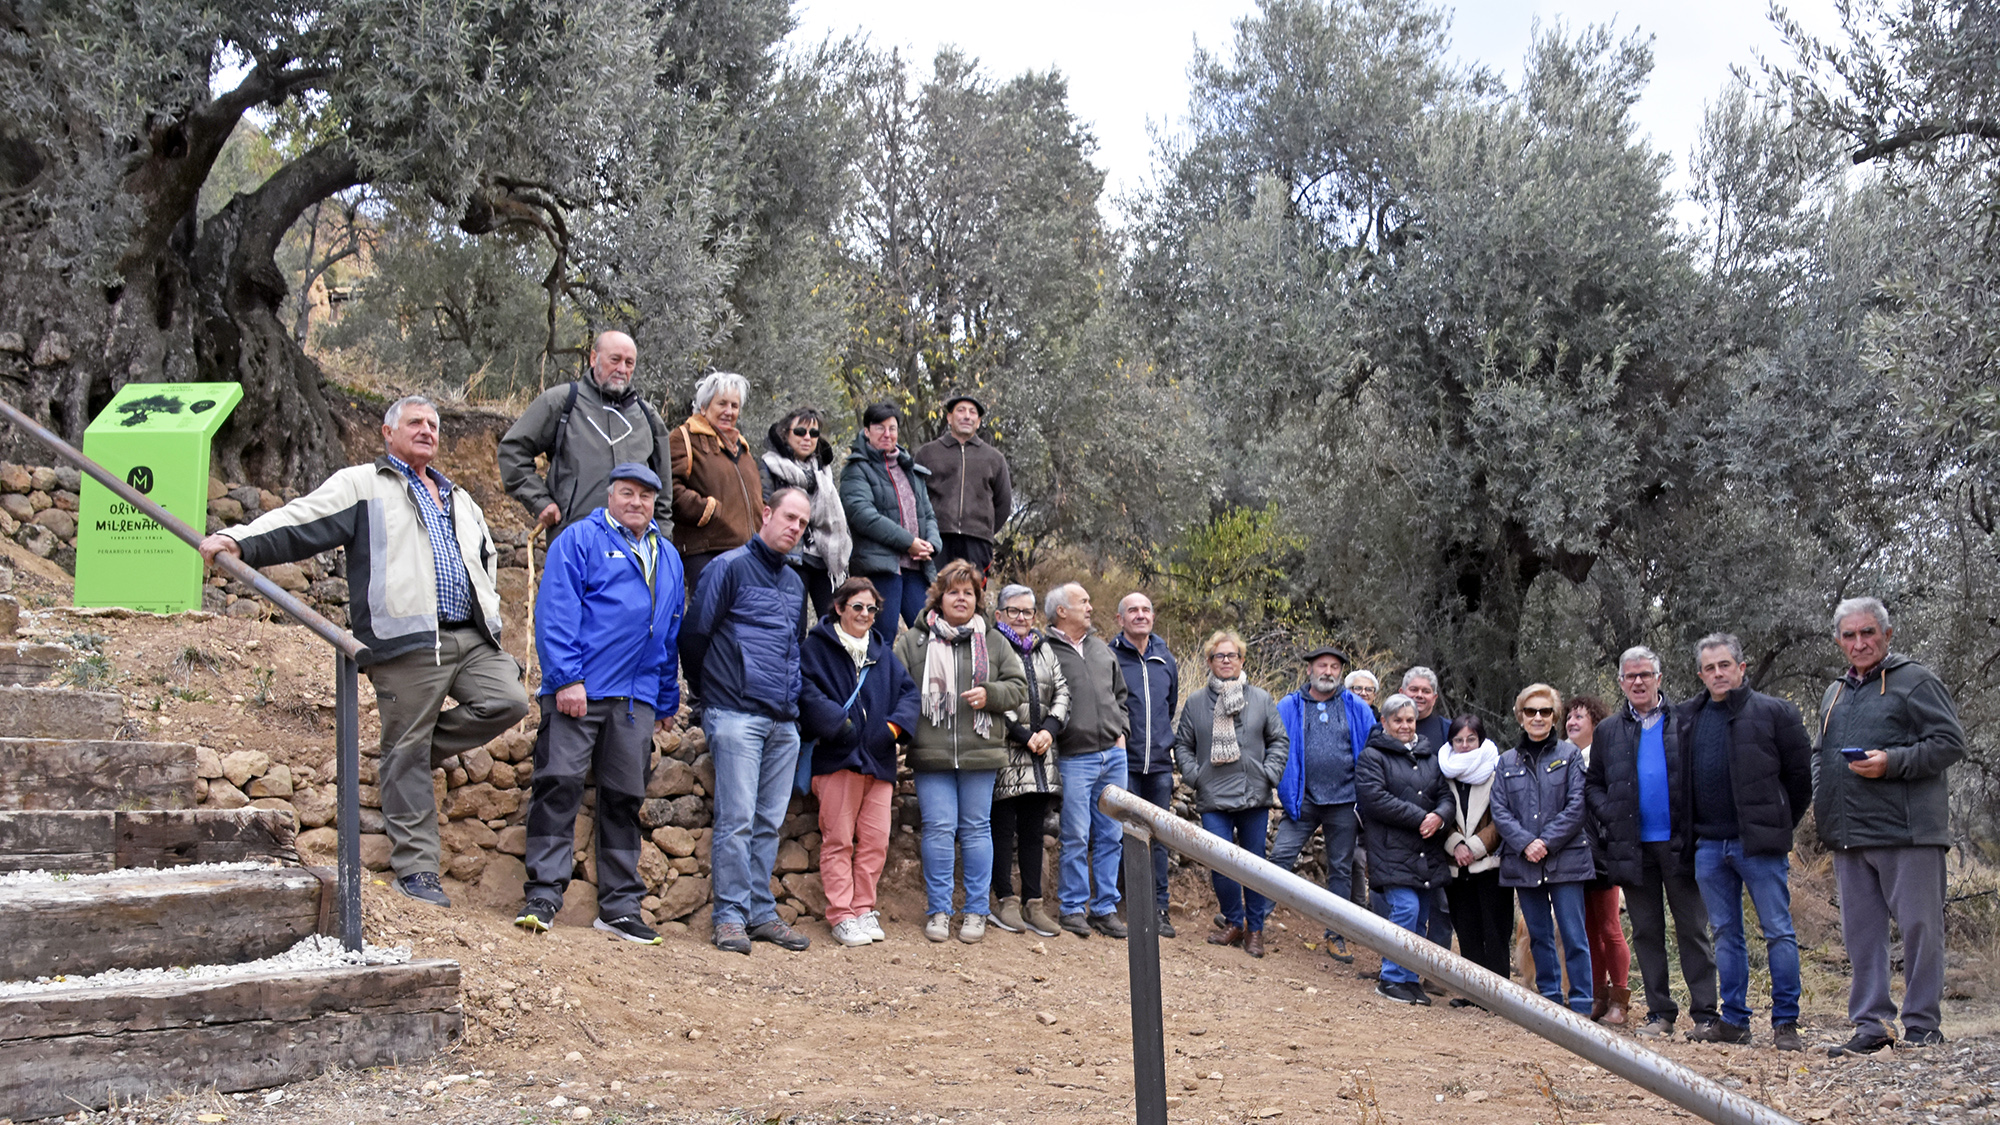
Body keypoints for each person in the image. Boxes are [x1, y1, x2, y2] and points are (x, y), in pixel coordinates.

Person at [199, 397, 531, 908]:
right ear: (387, 432)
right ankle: (418, 872)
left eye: (433, 425)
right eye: (415, 423)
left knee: (509, 701)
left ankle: (410, 753)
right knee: (407, 746)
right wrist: (238, 538)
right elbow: (301, 520)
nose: (426, 431)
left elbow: (484, 565)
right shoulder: (363, 484)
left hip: (470, 637)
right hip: (406, 642)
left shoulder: (460, 498)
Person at [516, 464, 683, 943]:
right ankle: (543, 894)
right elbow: (557, 610)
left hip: (637, 700)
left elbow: (668, 632)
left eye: (645, 496)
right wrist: (567, 679)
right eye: (627, 493)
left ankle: (619, 906)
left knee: (626, 799)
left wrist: (666, 698)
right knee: (559, 784)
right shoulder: (579, 539)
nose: (636, 502)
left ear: (655, 503)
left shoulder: (666, 555)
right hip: (580, 692)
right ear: (610, 496)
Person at [1814, 598, 1964, 1057]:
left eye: (1868, 633)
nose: (1859, 643)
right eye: (1849, 635)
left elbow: (1949, 742)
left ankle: (1922, 1025)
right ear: (1839, 641)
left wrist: (1892, 763)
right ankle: (1873, 1024)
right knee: (1862, 935)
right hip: (1850, 835)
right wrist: (1824, 795)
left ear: (1887, 634)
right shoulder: (1835, 692)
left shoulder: (1915, 681)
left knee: (1920, 928)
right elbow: (1821, 751)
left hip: (1909, 833)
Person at [680, 489, 815, 955]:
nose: (795, 528)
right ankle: (730, 917)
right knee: (736, 821)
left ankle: (760, 912)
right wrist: (710, 695)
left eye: (803, 523)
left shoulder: (796, 584)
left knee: (767, 823)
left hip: (782, 721)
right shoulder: (729, 567)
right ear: (767, 514)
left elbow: (793, 647)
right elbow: (694, 636)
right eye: (789, 517)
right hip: (735, 713)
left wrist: (792, 702)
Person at [1674, 633, 1812, 1051]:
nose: (1718, 673)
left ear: (1741, 668)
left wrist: (1778, 824)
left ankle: (1786, 1023)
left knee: (1778, 932)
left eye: (1725, 665)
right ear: (1701, 674)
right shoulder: (1688, 717)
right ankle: (1733, 1021)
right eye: (1709, 668)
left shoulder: (1775, 713)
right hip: (1709, 847)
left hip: (1759, 846)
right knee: (1725, 934)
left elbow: (1800, 779)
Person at [1585, 645, 1719, 1039]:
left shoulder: (1687, 720)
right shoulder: (1609, 730)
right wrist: (1609, 811)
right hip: (1632, 848)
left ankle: (1706, 1014)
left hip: (1679, 843)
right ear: (1622, 682)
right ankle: (1660, 1014)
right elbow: (1593, 784)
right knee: (1645, 931)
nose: (1638, 681)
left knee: (1692, 929)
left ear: (1659, 678)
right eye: (1631, 676)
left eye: (1645, 674)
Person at [894, 560, 1028, 944]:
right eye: (953, 591)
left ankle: (975, 912)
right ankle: (938, 910)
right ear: (939, 596)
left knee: (975, 830)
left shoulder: (995, 640)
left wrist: (992, 694)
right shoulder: (914, 641)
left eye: (968, 592)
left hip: (980, 752)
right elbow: (898, 688)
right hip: (931, 752)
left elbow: (1017, 687)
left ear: (977, 599)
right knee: (937, 829)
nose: (961, 598)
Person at [799, 578, 921, 948]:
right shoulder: (816, 648)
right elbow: (806, 692)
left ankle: (864, 907)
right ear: (839, 607)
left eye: (871, 609)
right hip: (837, 758)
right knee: (838, 840)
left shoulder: (883, 653)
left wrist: (892, 729)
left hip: (879, 761)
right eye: (858, 607)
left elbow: (909, 694)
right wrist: (840, 726)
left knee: (875, 840)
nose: (865, 615)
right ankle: (841, 914)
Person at [1174, 630, 1288, 959]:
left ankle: (1255, 929)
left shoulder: (1262, 699)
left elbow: (1279, 740)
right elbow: (1183, 743)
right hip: (1214, 796)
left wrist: (1269, 773)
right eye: (1219, 656)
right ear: (1209, 661)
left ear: (1242, 659)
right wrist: (1196, 777)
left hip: (1254, 795)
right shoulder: (1196, 703)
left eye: (1232, 655)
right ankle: (1233, 922)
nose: (1227, 661)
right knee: (1220, 863)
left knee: (1254, 866)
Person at [498, 330, 670, 538]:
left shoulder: (648, 417)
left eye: (629, 363)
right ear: (593, 358)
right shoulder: (561, 402)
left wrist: (662, 539)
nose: (622, 369)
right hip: (574, 542)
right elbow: (512, 450)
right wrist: (539, 501)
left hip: (634, 547)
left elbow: (664, 491)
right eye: (615, 360)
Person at [1491, 683, 1595, 1014]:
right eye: (1531, 711)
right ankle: (1549, 1002)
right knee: (1539, 935)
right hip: (1523, 862)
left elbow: (1577, 805)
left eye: (1545, 711)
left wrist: (1546, 842)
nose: (1538, 717)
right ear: (1520, 717)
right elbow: (1500, 810)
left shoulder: (1570, 756)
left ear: (1555, 716)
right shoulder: (1506, 762)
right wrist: (1525, 843)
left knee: (1573, 935)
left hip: (1566, 859)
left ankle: (1580, 1003)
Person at [1272, 645, 1375, 963]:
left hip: (1344, 802)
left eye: (1333, 667)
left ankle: (1336, 935)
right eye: (1321, 666)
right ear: (1309, 671)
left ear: (1340, 672)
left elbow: (1373, 747)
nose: (1327, 672)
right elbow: (1274, 743)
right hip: (1302, 800)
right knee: (1279, 858)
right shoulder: (1289, 705)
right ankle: (1255, 922)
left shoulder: (1356, 707)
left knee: (1340, 871)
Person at [1044, 581, 1131, 939]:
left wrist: (1121, 730)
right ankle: (1072, 907)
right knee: (1077, 835)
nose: (1090, 607)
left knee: (1112, 834)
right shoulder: (1045, 650)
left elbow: (1121, 695)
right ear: (1061, 611)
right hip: (1074, 758)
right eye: (1083, 601)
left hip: (1113, 755)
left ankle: (1105, 907)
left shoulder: (1101, 649)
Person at [1358, 693, 1452, 1004]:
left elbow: (1446, 796)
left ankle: (1410, 978)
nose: (1404, 725)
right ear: (1384, 722)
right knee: (1406, 908)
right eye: (1397, 720)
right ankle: (1391, 977)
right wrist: (1421, 817)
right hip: (1391, 850)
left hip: (1427, 849)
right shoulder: (1372, 757)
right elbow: (1375, 799)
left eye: (1409, 720)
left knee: (1420, 915)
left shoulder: (1429, 756)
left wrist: (1440, 816)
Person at [990, 583, 1070, 938]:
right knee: (1003, 830)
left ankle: (1033, 903)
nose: (1021, 618)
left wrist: (1049, 730)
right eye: (1014, 611)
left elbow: (1063, 691)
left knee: (1034, 833)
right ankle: (1005, 899)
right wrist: (1024, 736)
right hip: (1007, 752)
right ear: (999, 614)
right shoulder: (993, 646)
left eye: (1027, 612)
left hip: (1042, 756)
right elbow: (993, 693)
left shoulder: (1044, 649)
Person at [840, 403, 941, 644]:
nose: (887, 434)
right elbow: (863, 515)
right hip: (881, 568)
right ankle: (874, 682)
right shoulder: (856, 470)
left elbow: (928, 515)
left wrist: (932, 546)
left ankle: (919, 683)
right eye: (879, 428)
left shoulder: (911, 470)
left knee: (930, 636)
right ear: (866, 431)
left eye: (892, 428)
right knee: (881, 637)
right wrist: (908, 543)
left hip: (917, 569)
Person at [1111, 591, 1179, 936]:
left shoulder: (1166, 659)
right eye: (1132, 610)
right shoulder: (1110, 657)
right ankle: (1128, 906)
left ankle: (1160, 908)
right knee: (1126, 836)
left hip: (1160, 766)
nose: (1141, 615)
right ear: (1120, 619)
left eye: (1146, 609)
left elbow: (1169, 707)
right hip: (1126, 762)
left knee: (1159, 838)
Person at [669, 371, 764, 600]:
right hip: (706, 552)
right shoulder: (683, 438)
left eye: (734, 405)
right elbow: (669, 488)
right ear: (703, 406)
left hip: (748, 553)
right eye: (721, 403)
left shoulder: (741, 447)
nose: (728, 411)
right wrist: (708, 511)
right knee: (708, 623)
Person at [1566, 694, 1631, 1026]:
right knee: (1588, 929)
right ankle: (1597, 995)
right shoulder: (1564, 757)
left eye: (1581, 717)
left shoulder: (1604, 757)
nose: (1573, 722)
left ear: (1595, 722)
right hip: (1573, 855)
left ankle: (1620, 999)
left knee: (1609, 927)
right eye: (1570, 717)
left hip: (1603, 854)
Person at [1441, 715, 1512, 998]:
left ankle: (1498, 994)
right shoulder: (1442, 772)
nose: (1465, 745)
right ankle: (1472, 993)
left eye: (1471, 739)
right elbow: (1437, 811)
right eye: (1458, 740)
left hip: (1490, 864)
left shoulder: (1498, 770)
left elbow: (1504, 816)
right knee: (1466, 928)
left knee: (1495, 929)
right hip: (1456, 866)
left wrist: (1474, 847)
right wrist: (1456, 844)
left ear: (1481, 740)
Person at [758, 407, 850, 622]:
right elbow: (766, 506)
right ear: (785, 433)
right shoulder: (770, 465)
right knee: (793, 625)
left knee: (833, 625)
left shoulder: (823, 471)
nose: (807, 438)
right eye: (800, 431)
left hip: (825, 556)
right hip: (789, 556)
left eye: (814, 433)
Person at [913, 394, 1013, 575]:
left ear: (978, 421)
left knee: (972, 597)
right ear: (949, 418)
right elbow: (914, 496)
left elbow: (1003, 504)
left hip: (977, 542)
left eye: (972, 412)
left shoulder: (994, 458)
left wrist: (983, 530)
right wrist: (926, 532)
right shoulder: (927, 453)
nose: (967, 416)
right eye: (961, 410)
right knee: (935, 596)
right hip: (936, 539)